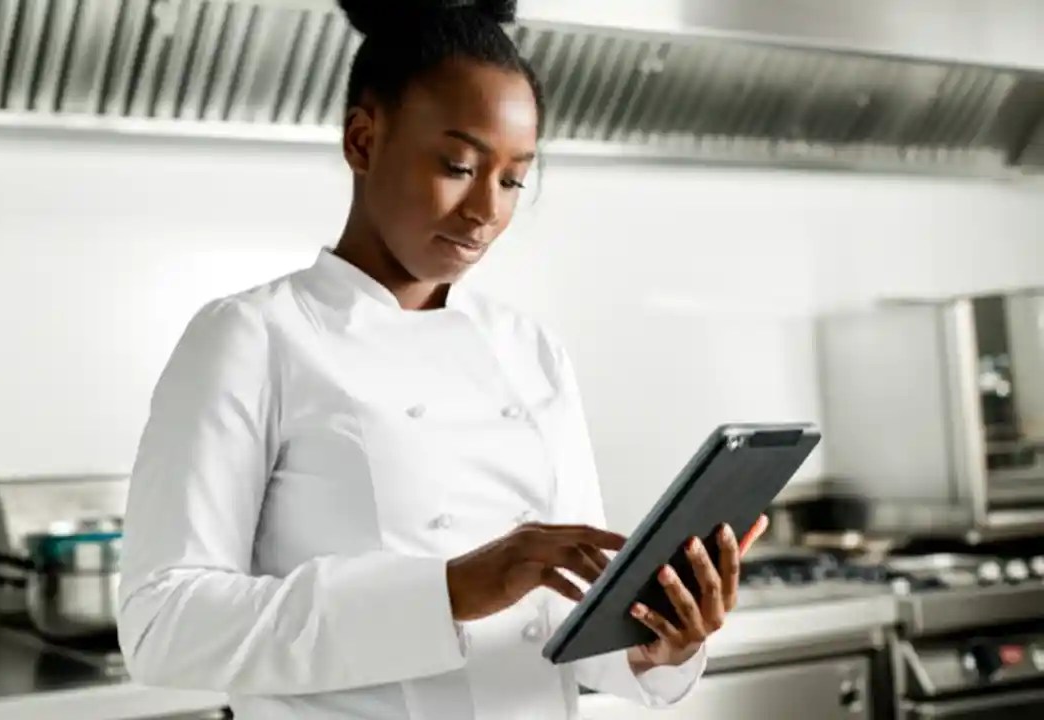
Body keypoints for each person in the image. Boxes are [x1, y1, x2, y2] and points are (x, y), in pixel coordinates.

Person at [118, 1, 766, 718]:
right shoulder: (252, 336)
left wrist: (659, 642)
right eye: (458, 164)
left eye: (514, 179)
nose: (486, 208)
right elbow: (163, 624)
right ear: (363, 141)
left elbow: (567, 623)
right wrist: (450, 590)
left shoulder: (530, 351)